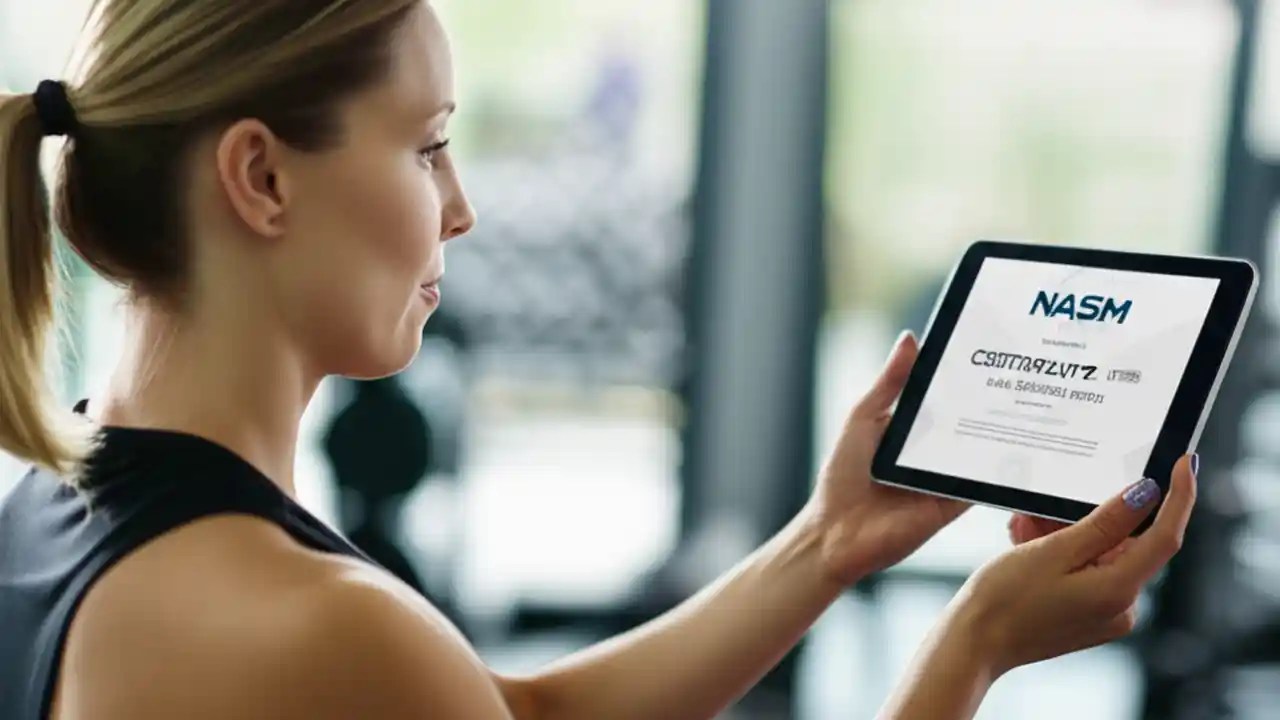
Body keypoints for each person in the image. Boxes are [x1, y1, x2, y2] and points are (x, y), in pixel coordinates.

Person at [0, 2, 1197, 718]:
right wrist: (973, 645)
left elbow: (496, 712)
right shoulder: (307, 621)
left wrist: (829, 542)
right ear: (261, 178)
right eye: (426, 149)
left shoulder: (65, 507)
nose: (458, 209)